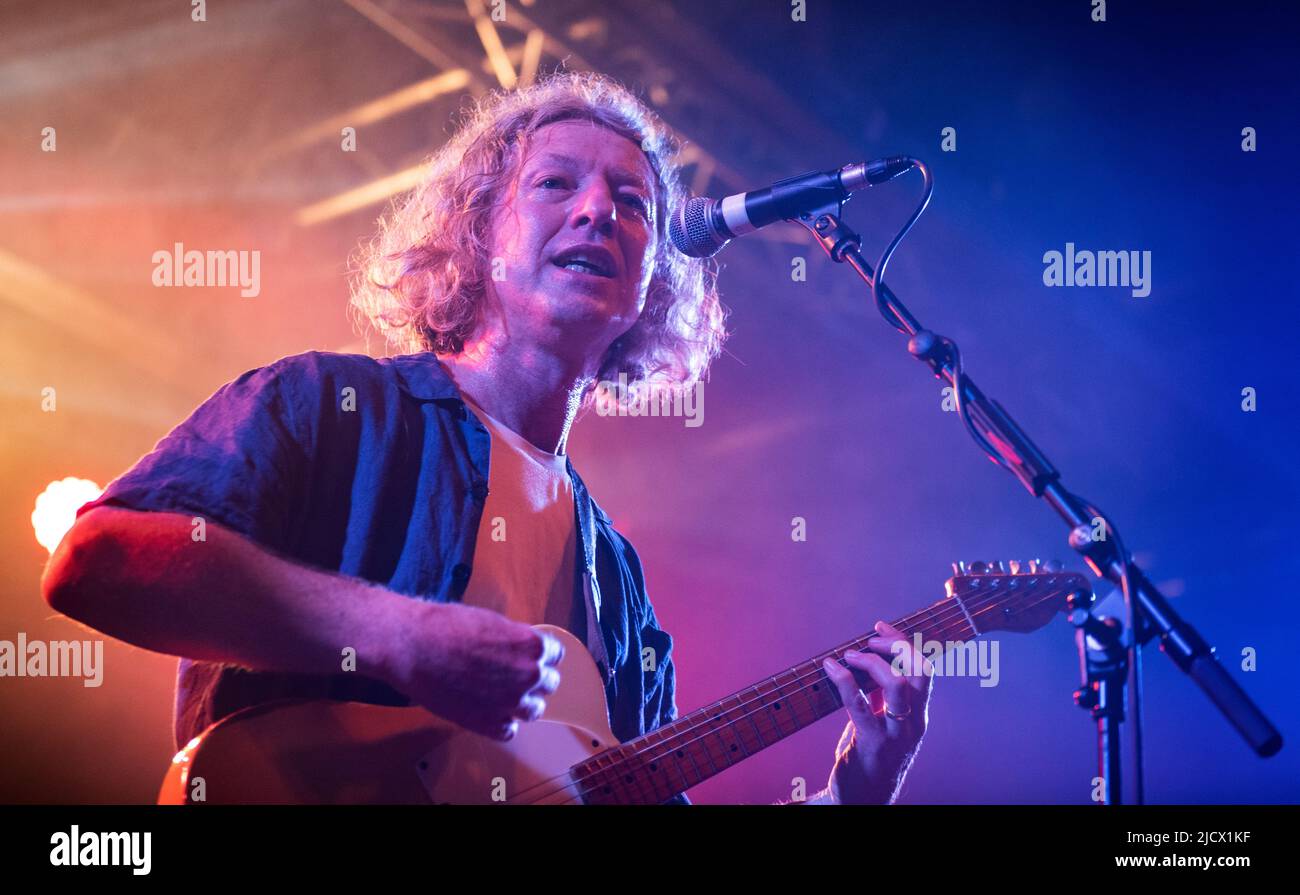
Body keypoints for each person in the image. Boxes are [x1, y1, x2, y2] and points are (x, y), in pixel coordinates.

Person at [40, 71, 931, 804]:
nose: (598, 212)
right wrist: (398, 635)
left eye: (633, 203)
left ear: (654, 281)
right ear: (478, 229)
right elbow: (96, 559)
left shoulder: (616, 583)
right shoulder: (329, 403)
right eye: (556, 182)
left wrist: (855, 790)